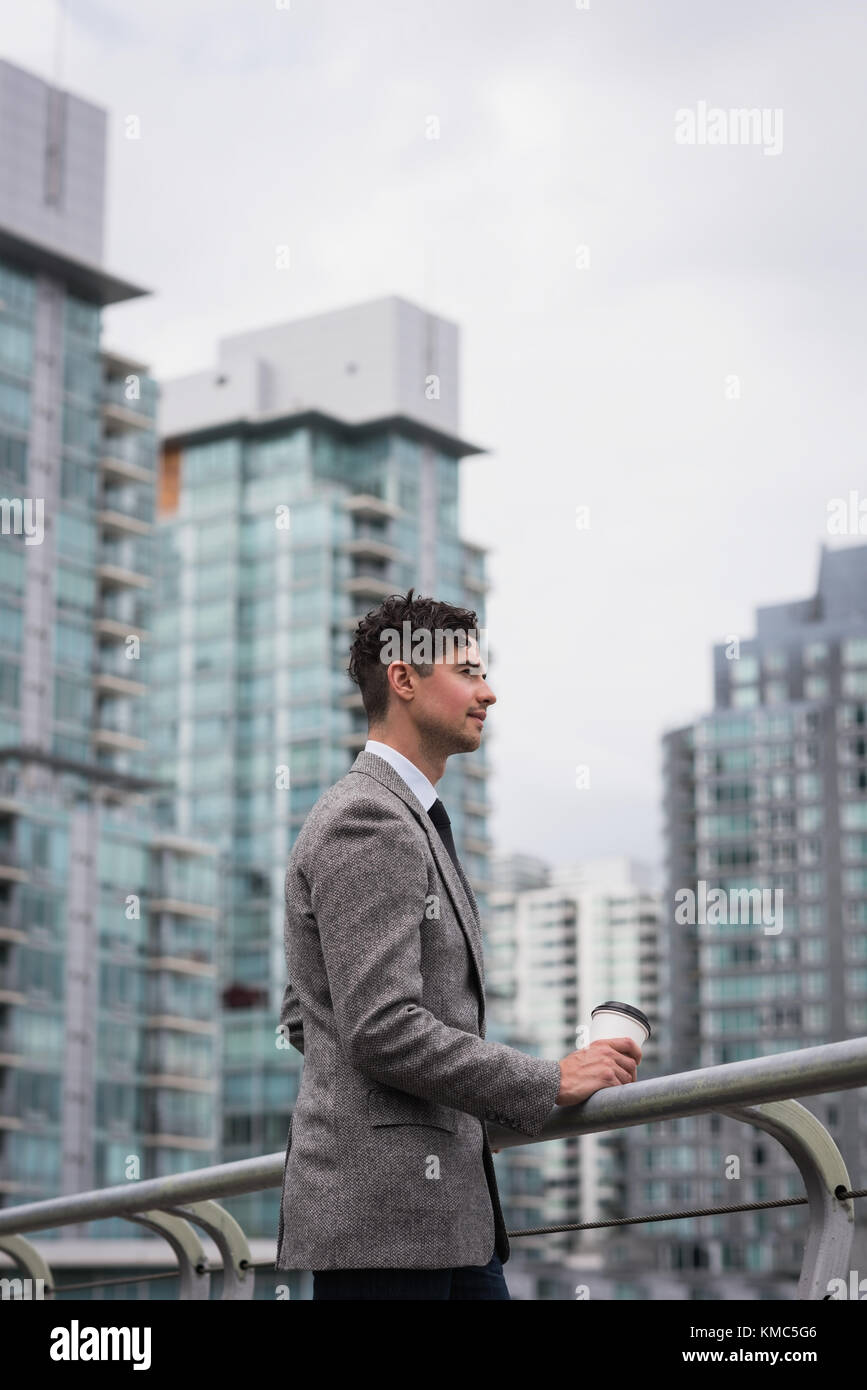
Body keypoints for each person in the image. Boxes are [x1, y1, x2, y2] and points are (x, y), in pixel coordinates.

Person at [275, 589, 641, 1299]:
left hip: (446, 1221)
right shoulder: (369, 819)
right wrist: (549, 1080)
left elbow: (305, 1015)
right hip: (386, 1228)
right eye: (469, 672)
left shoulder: (403, 816)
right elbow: (379, 1026)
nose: (488, 693)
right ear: (403, 679)